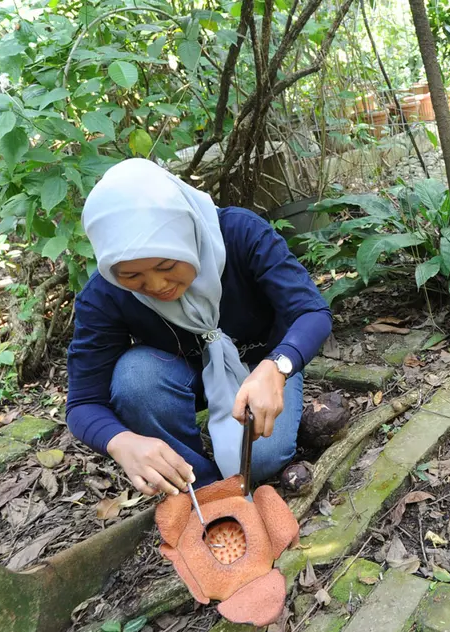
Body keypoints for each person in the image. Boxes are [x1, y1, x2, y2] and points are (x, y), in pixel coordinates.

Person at [66, 159, 332, 497]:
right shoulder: (105, 293)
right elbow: (83, 402)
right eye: (132, 276)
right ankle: (201, 484)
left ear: (188, 234)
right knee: (134, 377)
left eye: (166, 264)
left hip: (263, 365)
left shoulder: (238, 234)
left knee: (261, 460)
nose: (157, 285)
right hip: (183, 377)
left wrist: (279, 366)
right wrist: (121, 442)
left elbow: (312, 311)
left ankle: (250, 435)